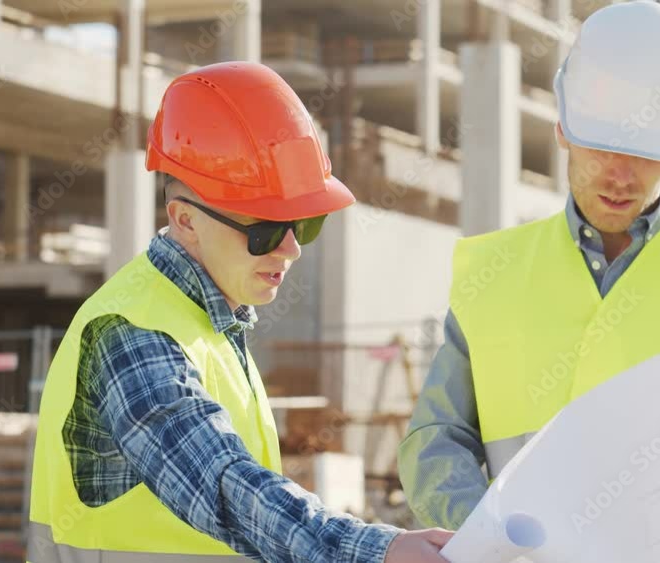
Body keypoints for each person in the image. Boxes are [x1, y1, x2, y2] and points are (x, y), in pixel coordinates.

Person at [398, 1, 660, 530]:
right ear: (564, 127)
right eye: (601, 147)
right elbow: (436, 437)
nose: (619, 175)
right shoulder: (495, 271)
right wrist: (492, 535)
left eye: (644, 153)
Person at [27, 61, 452, 562]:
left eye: (302, 224)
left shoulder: (211, 327)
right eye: (265, 229)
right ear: (185, 220)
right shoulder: (132, 332)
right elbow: (220, 482)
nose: (290, 249)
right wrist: (374, 550)